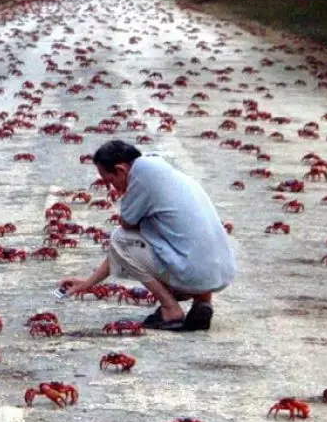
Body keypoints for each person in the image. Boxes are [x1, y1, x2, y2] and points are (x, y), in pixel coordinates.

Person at [62, 140, 236, 332]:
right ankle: (202, 302)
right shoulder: (167, 173)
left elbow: (125, 234)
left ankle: (171, 309)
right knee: (179, 238)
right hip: (220, 273)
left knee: (120, 237)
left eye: (111, 181)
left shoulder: (142, 180)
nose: (113, 188)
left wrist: (126, 195)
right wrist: (89, 283)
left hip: (192, 274)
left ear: (121, 170)